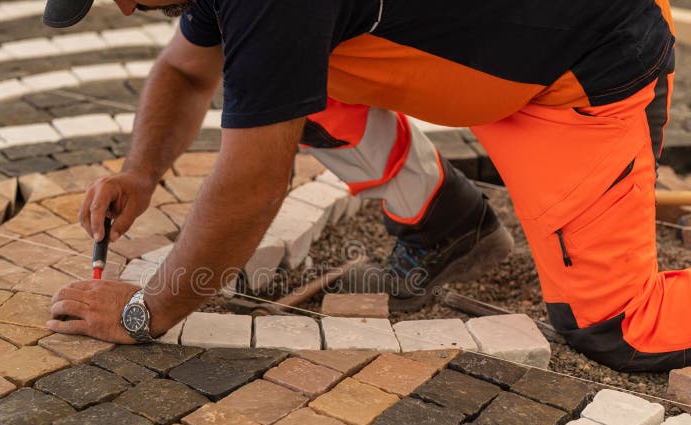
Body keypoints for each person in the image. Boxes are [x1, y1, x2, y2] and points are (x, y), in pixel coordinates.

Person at [45, 0, 686, 372]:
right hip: (481, 63)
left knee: (622, 326)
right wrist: (141, 171)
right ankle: (444, 220)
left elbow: (253, 182)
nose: (124, 5)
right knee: (282, 89)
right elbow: (185, 72)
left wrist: (148, 310)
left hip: (576, 81)